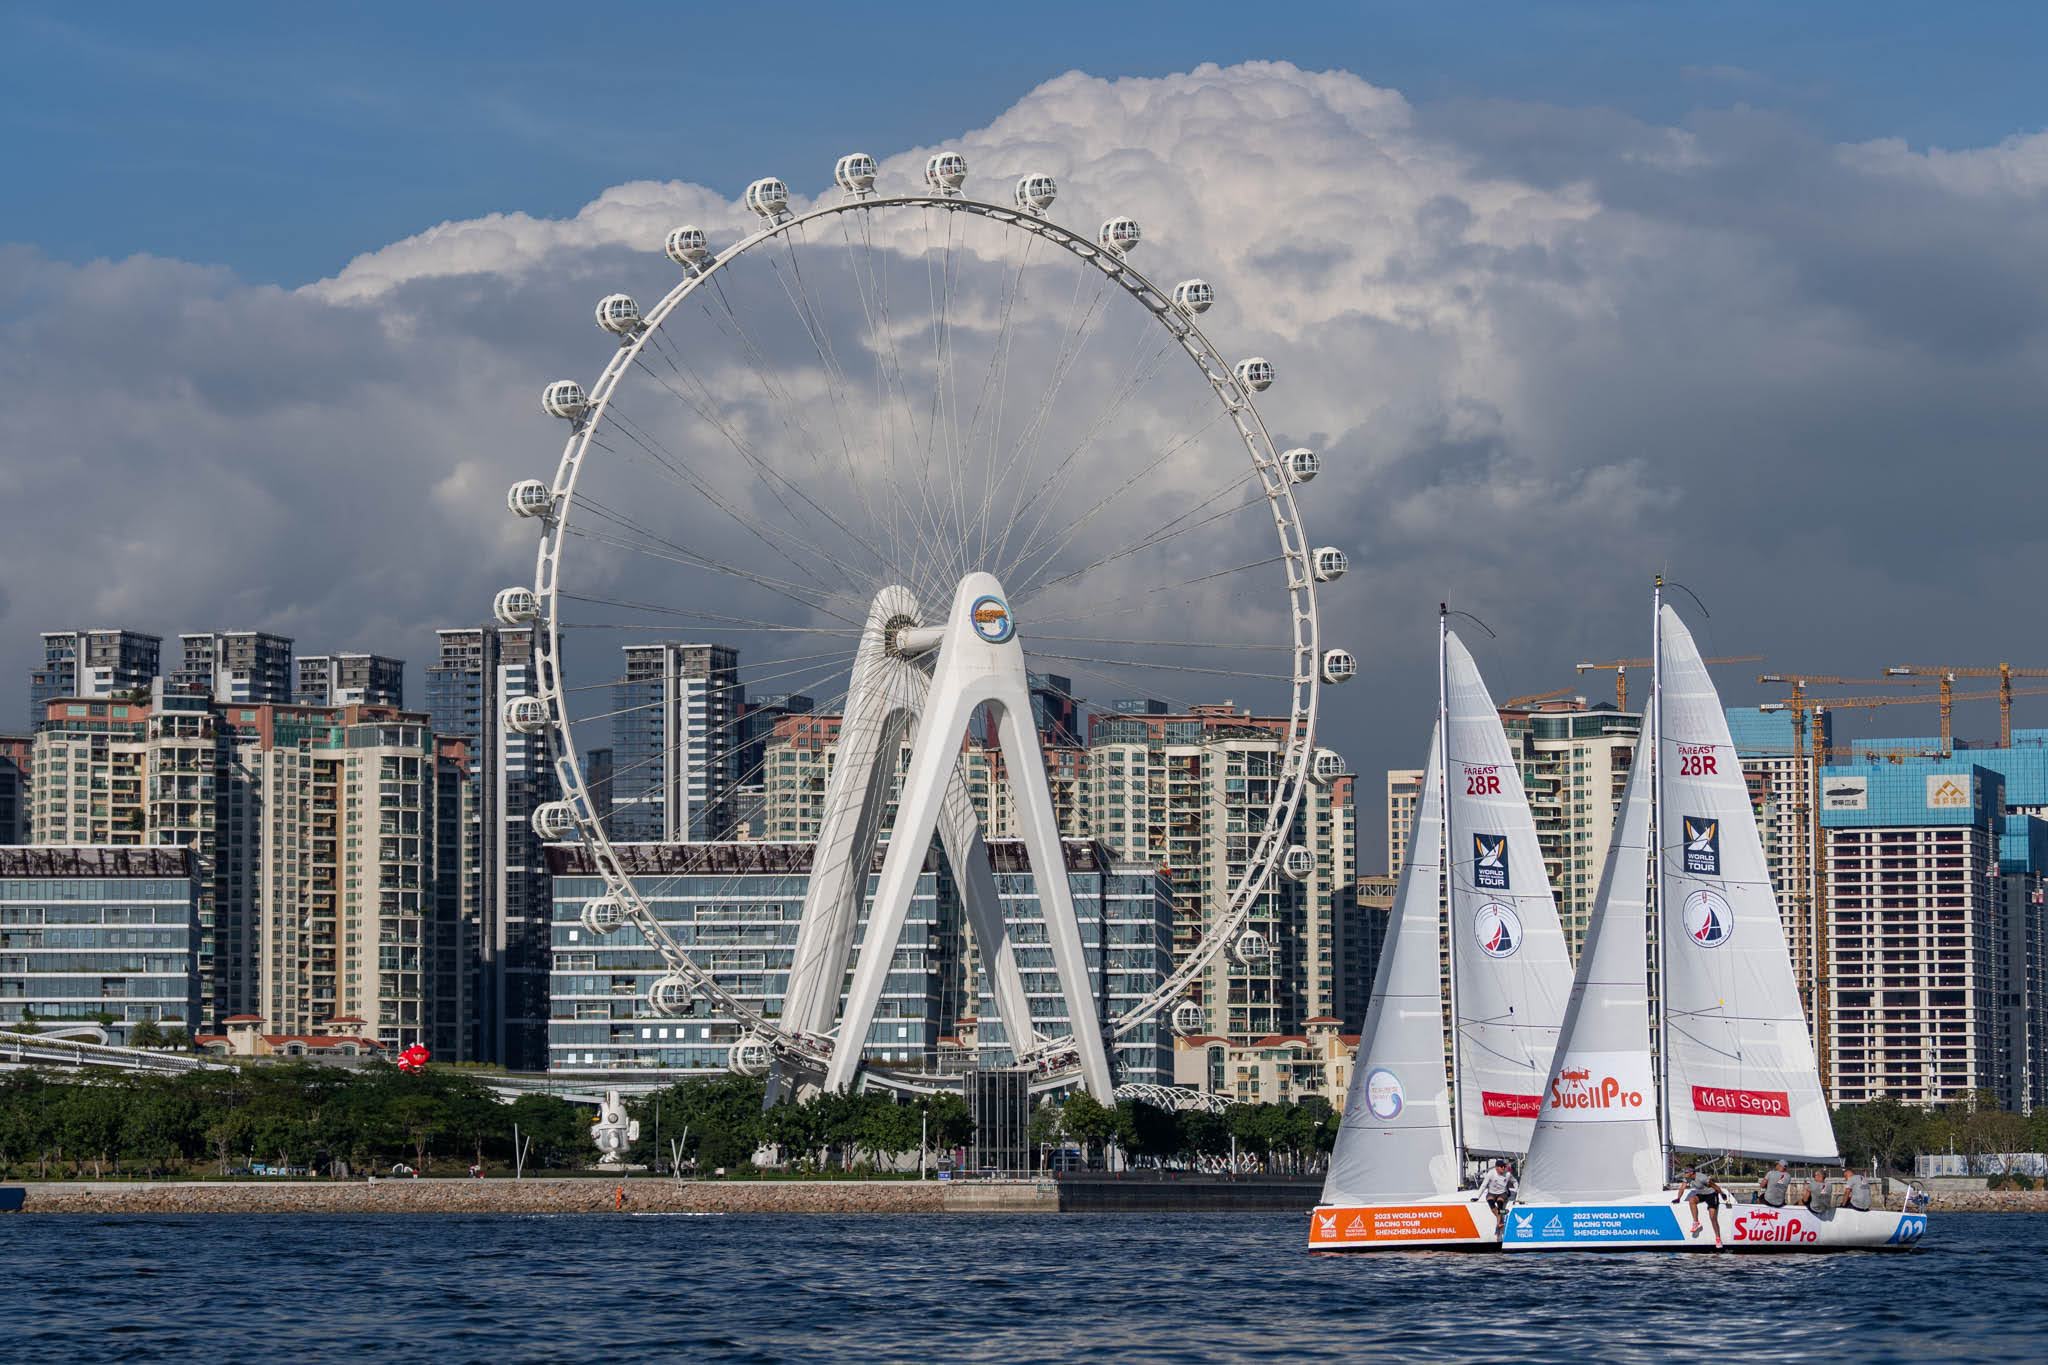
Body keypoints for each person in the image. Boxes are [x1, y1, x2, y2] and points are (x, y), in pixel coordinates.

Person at [1672, 1166, 1729, 1246]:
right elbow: (1682, 1188)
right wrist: (1678, 1198)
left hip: (1711, 1194)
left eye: (1686, 1172)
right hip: (1702, 1194)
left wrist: (1722, 1194)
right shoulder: (1687, 1178)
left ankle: (1718, 1238)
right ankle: (1696, 1222)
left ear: (1691, 1173)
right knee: (1692, 1200)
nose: (1684, 1174)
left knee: (1712, 1217)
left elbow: (1715, 1186)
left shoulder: (1702, 1178)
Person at [1479, 1158, 1518, 1239]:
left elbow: (1515, 1181)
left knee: (1500, 1202)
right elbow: (1483, 1185)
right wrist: (1477, 1197)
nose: (1503, 1168)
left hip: (1503, 1193)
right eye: (1501, 1167)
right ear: (1496, 1167)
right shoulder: (1491, 1173)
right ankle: (1500, 1218)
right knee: (1491, 1201)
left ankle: (1499, 1223)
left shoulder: (1507, 1174)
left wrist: (1517, 1191)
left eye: (1504, 1166)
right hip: (1492, 1193)